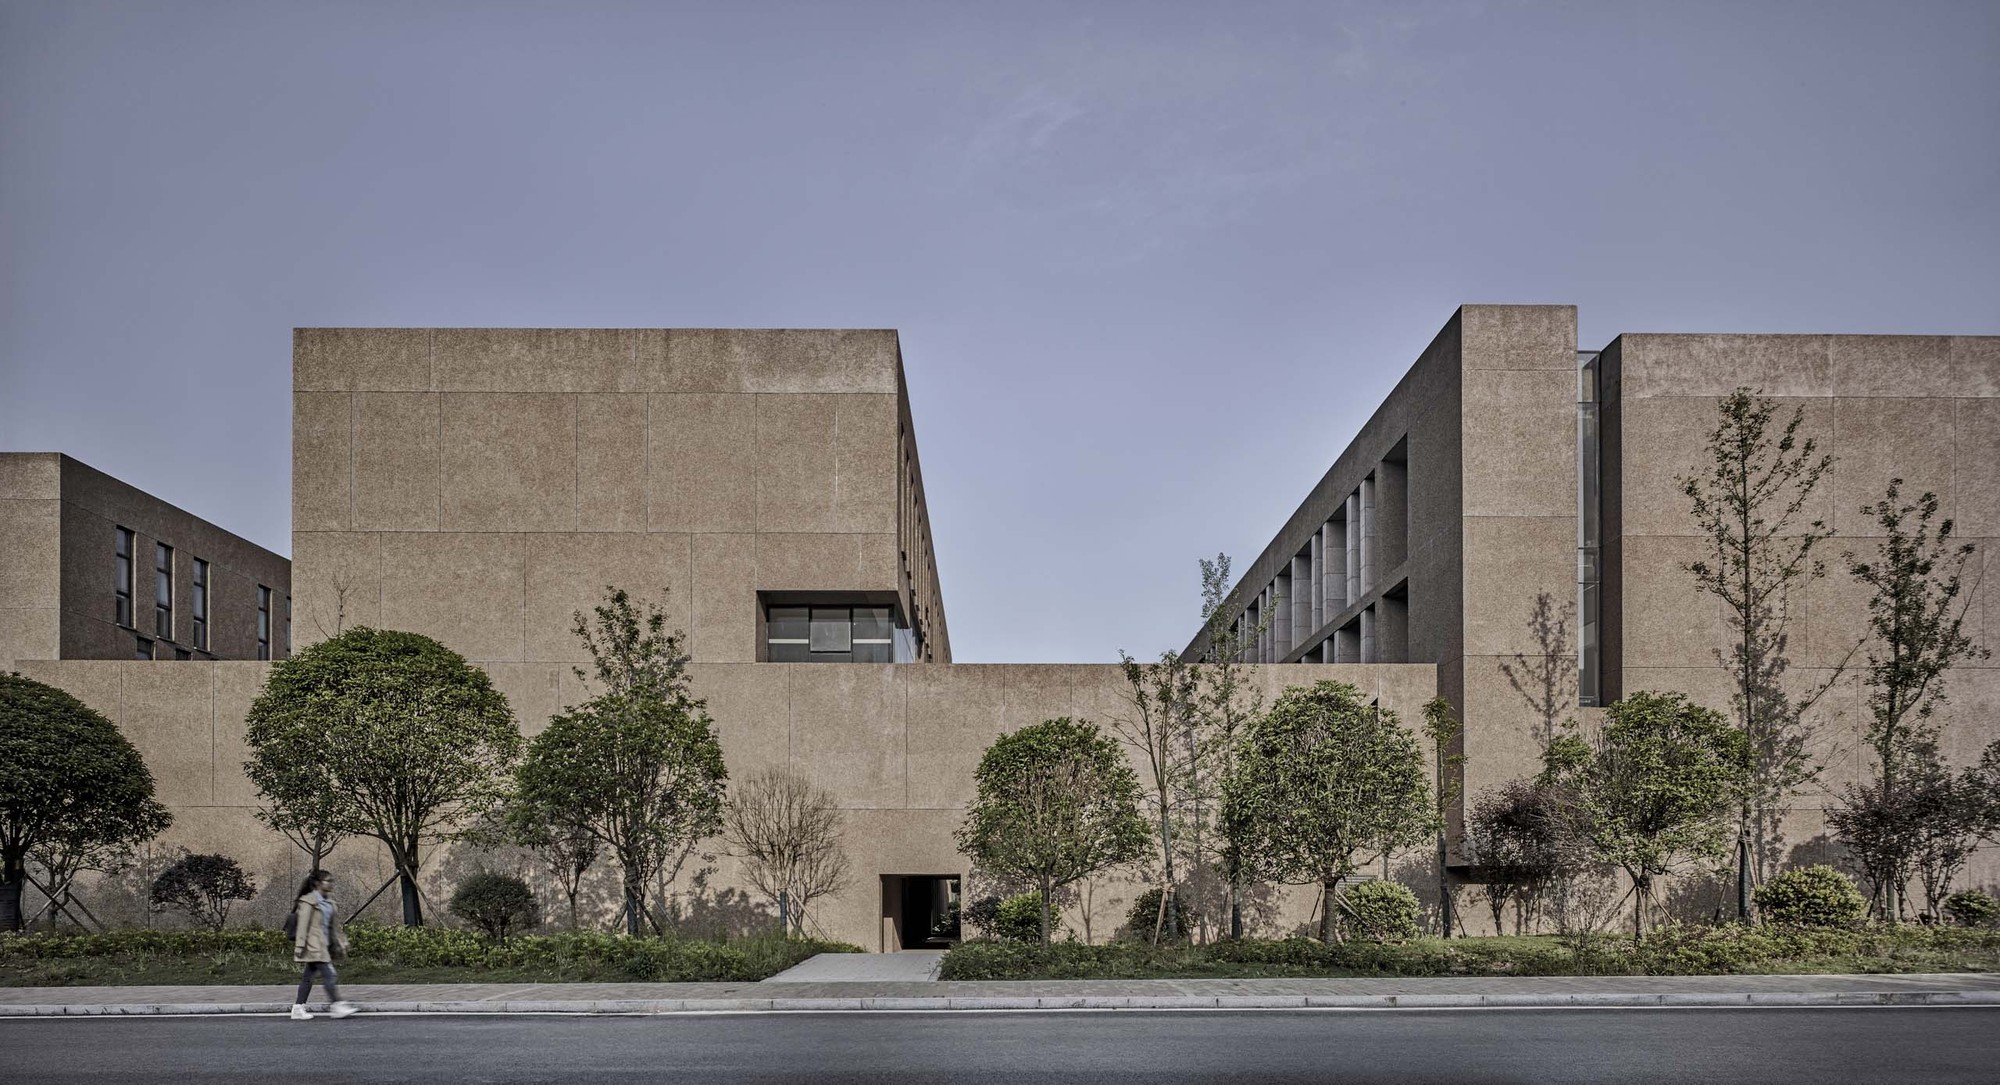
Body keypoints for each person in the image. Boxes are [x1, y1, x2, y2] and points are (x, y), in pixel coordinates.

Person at [290, 870, 355, 1020]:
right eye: (328, 881)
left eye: (332, 881)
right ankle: (337, 1005)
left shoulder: (329, 902)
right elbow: (302, 926)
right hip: (314, 946)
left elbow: (333, 926)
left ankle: (298, 1007)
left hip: (324, 945)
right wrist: (299, 946)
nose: (331, 883)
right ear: (318, 883)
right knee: (330, 974)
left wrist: (342, 941)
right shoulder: (308, 901)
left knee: (307, 978)